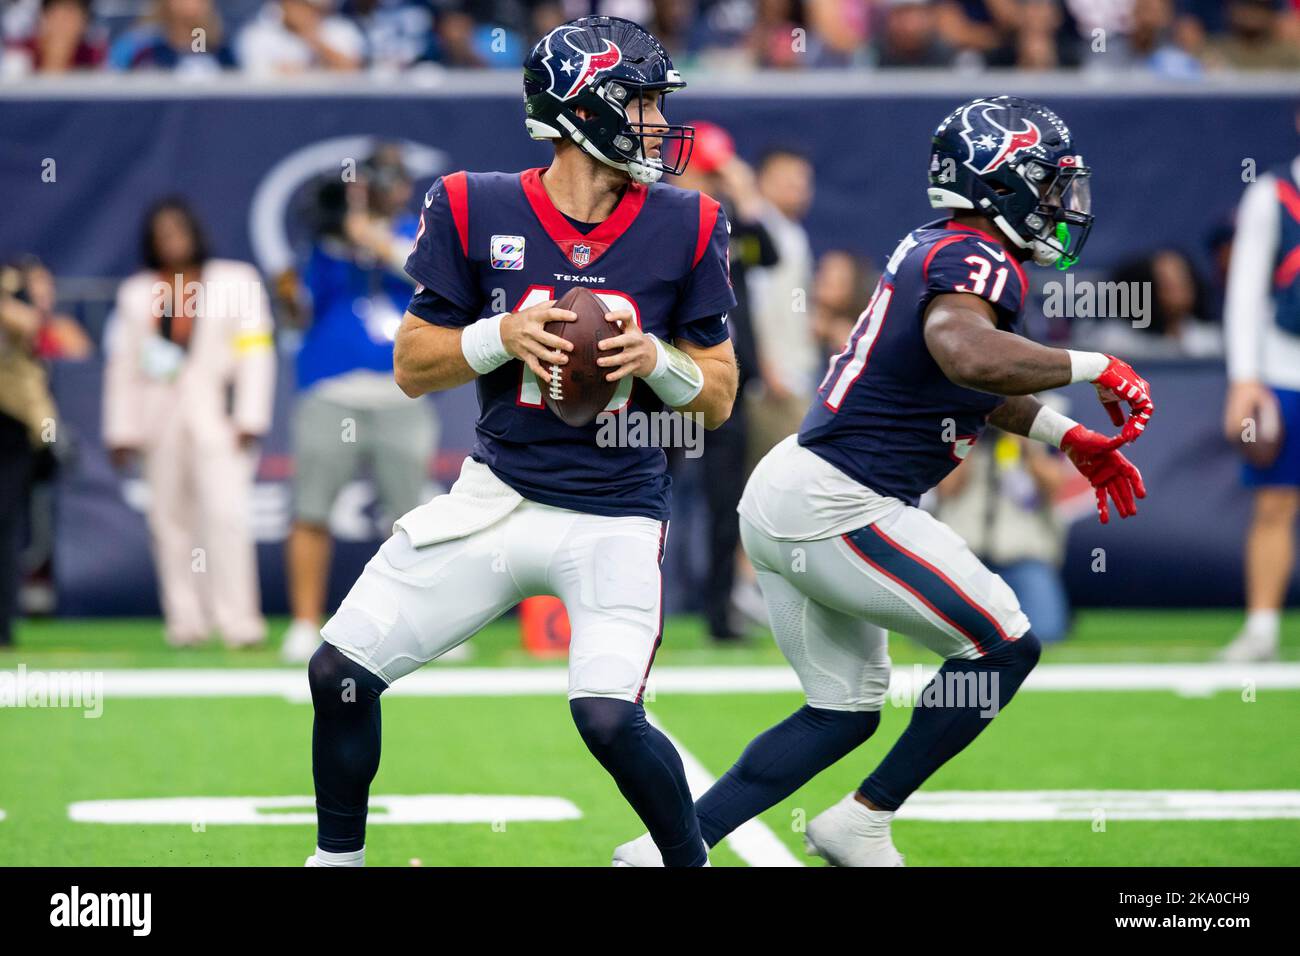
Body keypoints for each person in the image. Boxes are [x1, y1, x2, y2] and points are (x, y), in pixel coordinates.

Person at [613, 96, 1154, 867]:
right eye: (1046, 183)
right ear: (999, 183)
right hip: (839, 502)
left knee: (843, 709)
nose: (1059, 203)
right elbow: (965, 352)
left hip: (797, 490)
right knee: (1004, 646)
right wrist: (1096, 365)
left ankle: (669, 848)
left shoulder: (942, 246)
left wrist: (1068, 436)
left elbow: (962, 376)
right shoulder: (977, 258)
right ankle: (862, 819)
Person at [304, 16, 738, 868]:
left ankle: (690, 862)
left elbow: (718, 400)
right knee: (339, 672)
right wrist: (500, 334)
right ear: (587, 110)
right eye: (643, 103)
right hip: (498, 496)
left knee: (609, 718)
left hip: (616, 509)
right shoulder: (473, 203)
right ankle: (338, 861)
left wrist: (655, 356)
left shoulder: (688, 221)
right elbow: (411, 367)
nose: (657, 123)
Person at [279, 146, 438, 664]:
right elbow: (299, 304)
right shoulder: (323, 249)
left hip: (399, 392)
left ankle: (426, 627)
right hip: (332, 393)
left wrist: (370, 236)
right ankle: (305, 622)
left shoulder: (415, 241)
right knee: (311, 509)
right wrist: (341, 230)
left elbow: (429, 280)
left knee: (415, 516)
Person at [103, 199, 276, 648]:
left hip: (217, 414)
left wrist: (250, 415)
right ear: (150, 242)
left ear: (195, 232)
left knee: (226, 516)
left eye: (177, 229)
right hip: (157, 419)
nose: (171, 239)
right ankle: (186, 622)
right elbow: (123, 365)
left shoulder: (236, 280)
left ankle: (240, 624)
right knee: (169, 521)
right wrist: (122, 430)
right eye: (161, 233)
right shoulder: (137, 292)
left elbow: (257, 351)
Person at [670, 119, 779, 642]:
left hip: (723, 383)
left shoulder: (730, 228)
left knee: (725, 506)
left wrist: (746, 195)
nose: (711, 182)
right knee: (644, 496)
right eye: (705, 171)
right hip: (663, 381)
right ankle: (637, 612)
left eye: (716, 173)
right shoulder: (656, 221)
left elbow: (770, 257)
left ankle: (719, 617)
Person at [1219, 111, 1300, 662]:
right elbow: (1245, 290)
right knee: (1274, 505)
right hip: (1284, 372)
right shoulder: (1273, 194)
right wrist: (1244, 379)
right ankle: (1262, 628)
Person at [935, 427, 1072, 643]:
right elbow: (945, 487)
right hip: (963, 558)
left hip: (1024, 558)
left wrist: (1025, 440)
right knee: (944, 635)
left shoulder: (1051, 415)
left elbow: (1055, 486)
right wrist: (970, 435)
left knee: (1045, 633)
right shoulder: (954, 419)